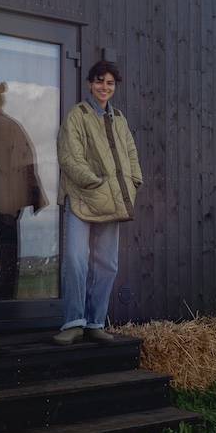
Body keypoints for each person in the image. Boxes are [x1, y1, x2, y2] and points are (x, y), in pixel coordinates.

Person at [53, 60, 143, 344]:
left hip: (112, 202)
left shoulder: (120, 119)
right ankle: (73, 322)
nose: (104, 87)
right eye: (99, 81)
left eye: (110, 83)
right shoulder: (76, 115)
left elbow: (131, 155)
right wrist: (97, 184)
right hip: (81, 198)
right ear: (90, 83)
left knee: (107, 264)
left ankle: (94, 322)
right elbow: (70, 158)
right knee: (76, 259)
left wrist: (133, 182)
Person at [0, 79, 48, 301]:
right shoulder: (12, 126)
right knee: (8, 263)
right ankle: (0, 307)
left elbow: (26, 165)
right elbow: (27, 165)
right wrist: (33, 198)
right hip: (7, 208)